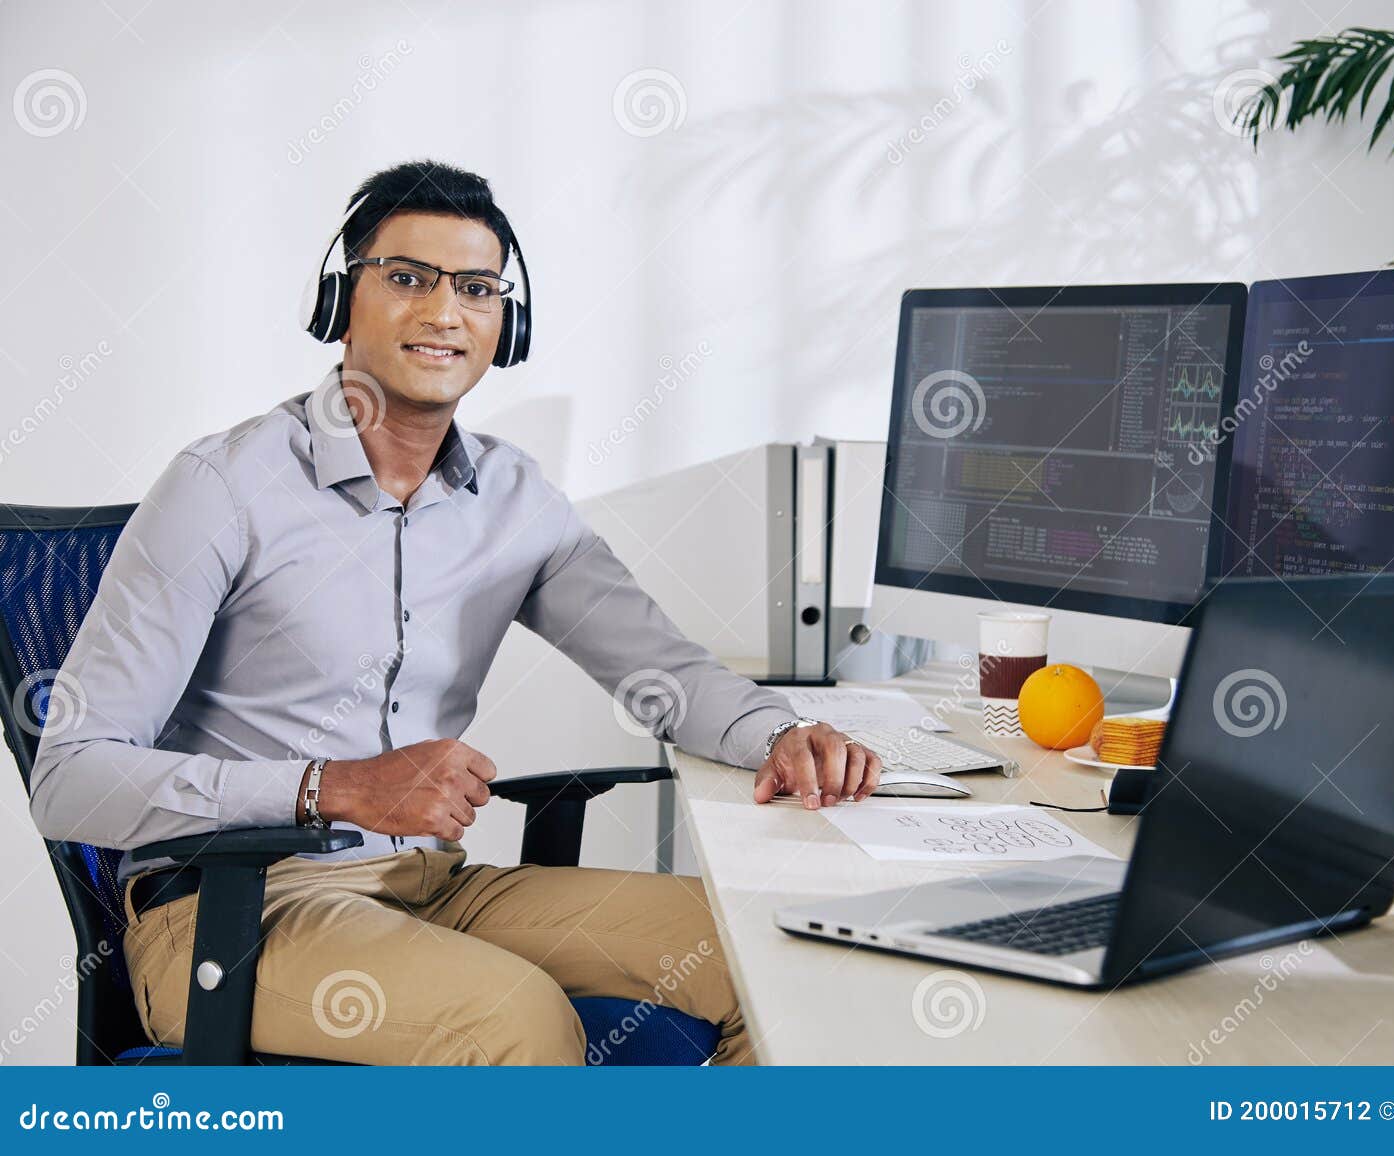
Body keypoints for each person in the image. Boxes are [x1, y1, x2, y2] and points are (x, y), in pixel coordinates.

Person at [29, 159, 882, 1065]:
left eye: (476, 288)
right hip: (235, 913)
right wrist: (333, 786)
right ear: (339, 304)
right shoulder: (223, 486)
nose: (444, 313)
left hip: (428, 885)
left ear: (505, 324)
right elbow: (69, 778)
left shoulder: (513, 499)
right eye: (406, 279)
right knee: (512, 1019)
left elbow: (660, 671)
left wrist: (778, 736)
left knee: (774, 950)